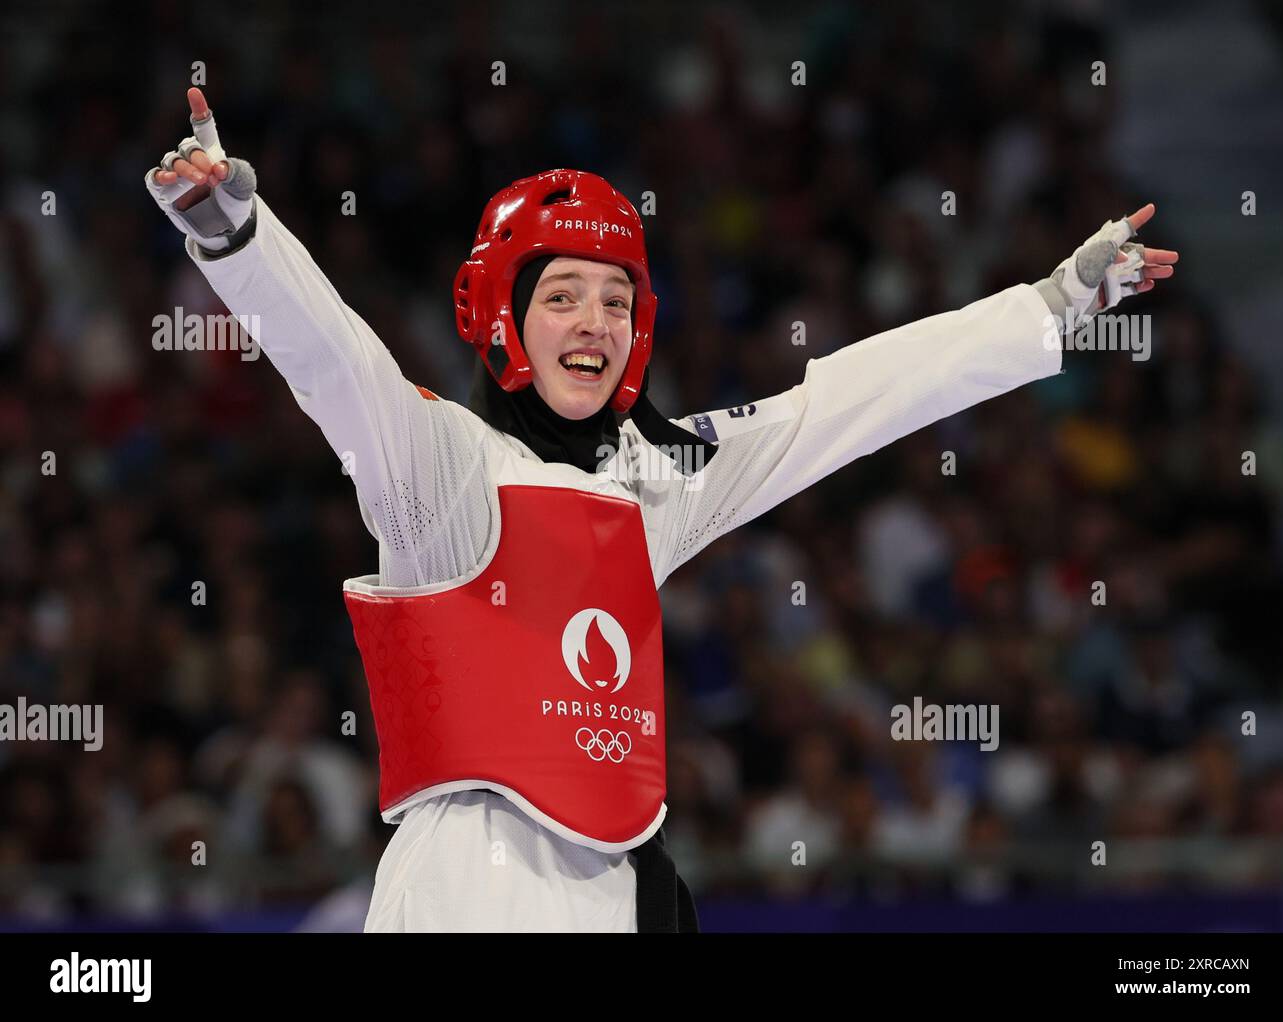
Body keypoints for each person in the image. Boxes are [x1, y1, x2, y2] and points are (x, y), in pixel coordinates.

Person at [146, 87, 1179, 932]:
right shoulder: (439, 464)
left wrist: (1046, 306)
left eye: (613, 296)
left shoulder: (658, 476)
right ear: (500, 314)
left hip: (622, 890)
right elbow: (334, 360)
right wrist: (235, 234)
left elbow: (846, 405)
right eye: (560, 295)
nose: (592, 320)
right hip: (468, 886)